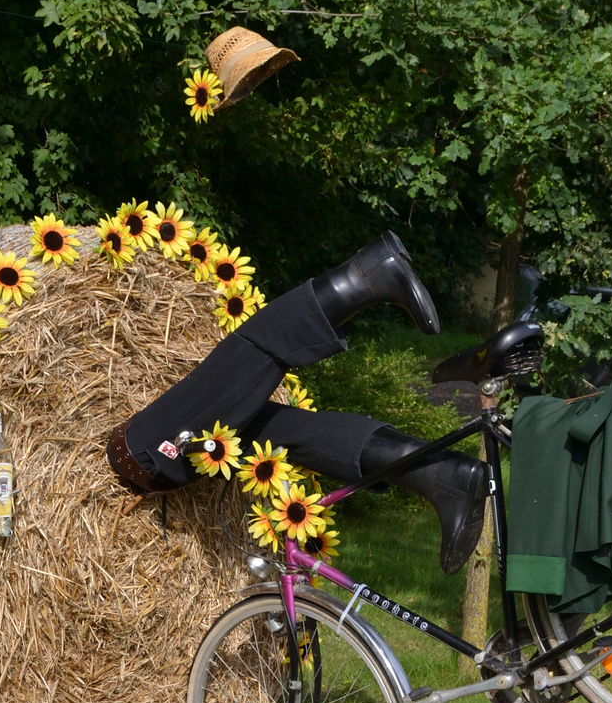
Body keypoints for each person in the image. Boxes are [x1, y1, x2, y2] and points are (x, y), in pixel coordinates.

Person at [106, 232, 491, 573]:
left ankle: (361, 278)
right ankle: (441, 474)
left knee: (158, 437)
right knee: (288, 435)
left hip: (144, 451)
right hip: (184, 463)